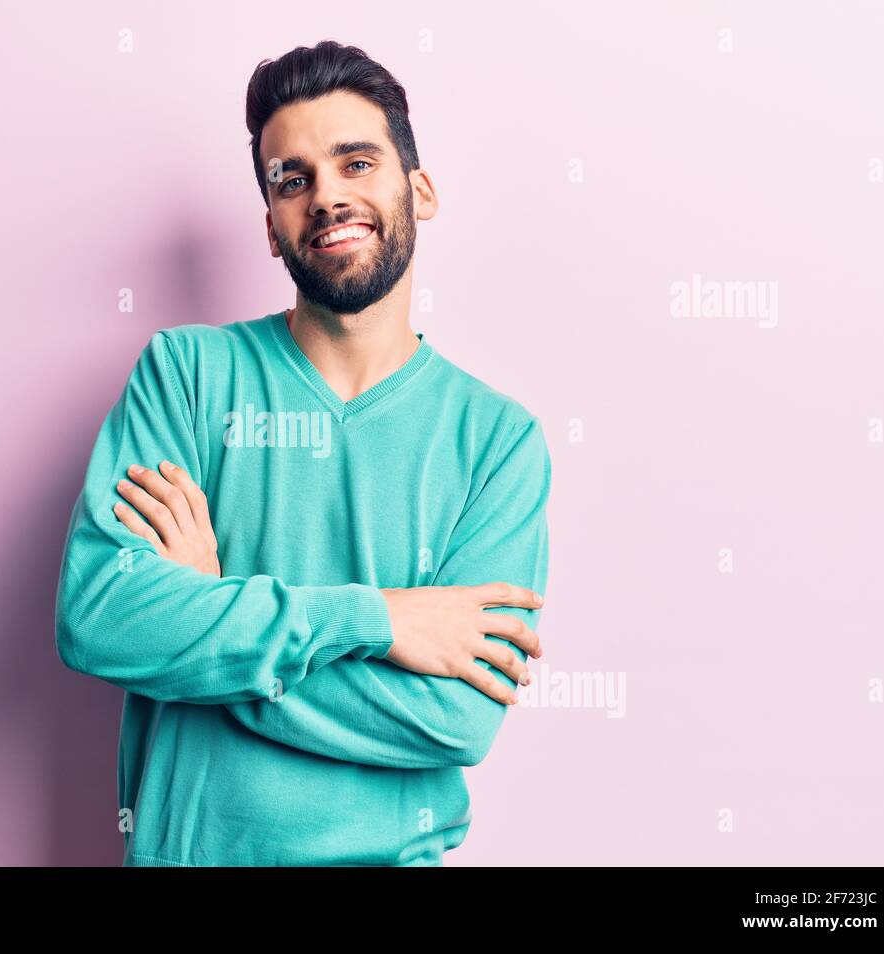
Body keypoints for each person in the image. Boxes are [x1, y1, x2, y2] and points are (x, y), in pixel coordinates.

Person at [55, 39, 551, 866]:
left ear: (418, 191)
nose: (327, 196)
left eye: (357, 162)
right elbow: (101, 619)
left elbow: (456, 719)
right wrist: (378, 621)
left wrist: (211, 622)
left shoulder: (498, 442)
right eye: (294, 179)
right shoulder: (186, 376)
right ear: (273, 228)